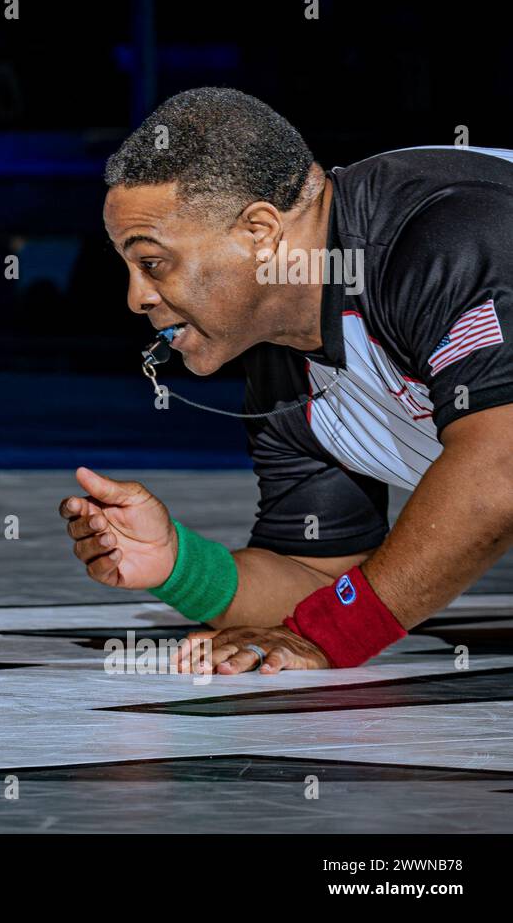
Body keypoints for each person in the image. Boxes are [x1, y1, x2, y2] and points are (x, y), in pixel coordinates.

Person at [62, 87, 513, 674]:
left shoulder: (448, 234)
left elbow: (500, 468)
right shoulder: (284, 365)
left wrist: (331, 635)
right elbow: (324, 578)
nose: (136, 297)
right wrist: (181, 566)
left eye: (152, 262)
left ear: (259, 230)